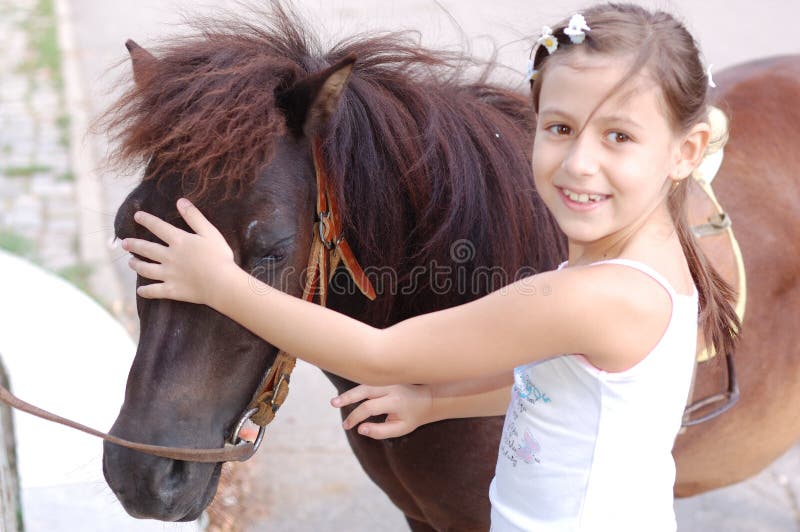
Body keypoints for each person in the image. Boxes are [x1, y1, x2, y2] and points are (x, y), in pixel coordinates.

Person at [121, 4, 739, 530]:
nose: (578, 163)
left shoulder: (596, 297)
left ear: (686, 152)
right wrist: (437, 406)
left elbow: (380, 353)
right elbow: (553, 382)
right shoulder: (636, 270)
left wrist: (221, 284)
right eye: (559, 127)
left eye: (619, 137)